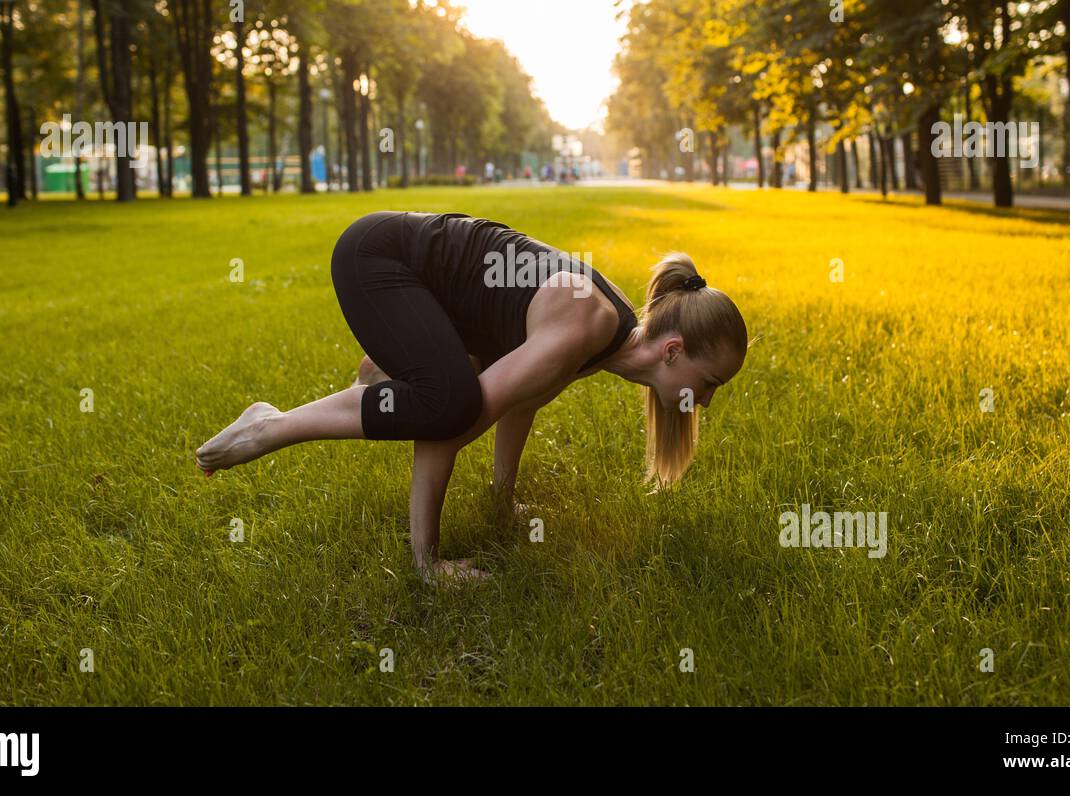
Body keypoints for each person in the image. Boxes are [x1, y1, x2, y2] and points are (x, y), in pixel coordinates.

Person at [196, 211, 748, 585]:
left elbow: (523, 397)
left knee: (448, 391)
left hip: (421, 282)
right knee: (448, 402)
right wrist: (428, 561)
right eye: (710, 384)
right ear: (673, 350)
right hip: (378, 260)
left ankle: (386, 376)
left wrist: (502, 499)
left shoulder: (610, 334)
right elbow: (452, 428)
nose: (705, 402)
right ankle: (272, 425)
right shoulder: (590, 324)